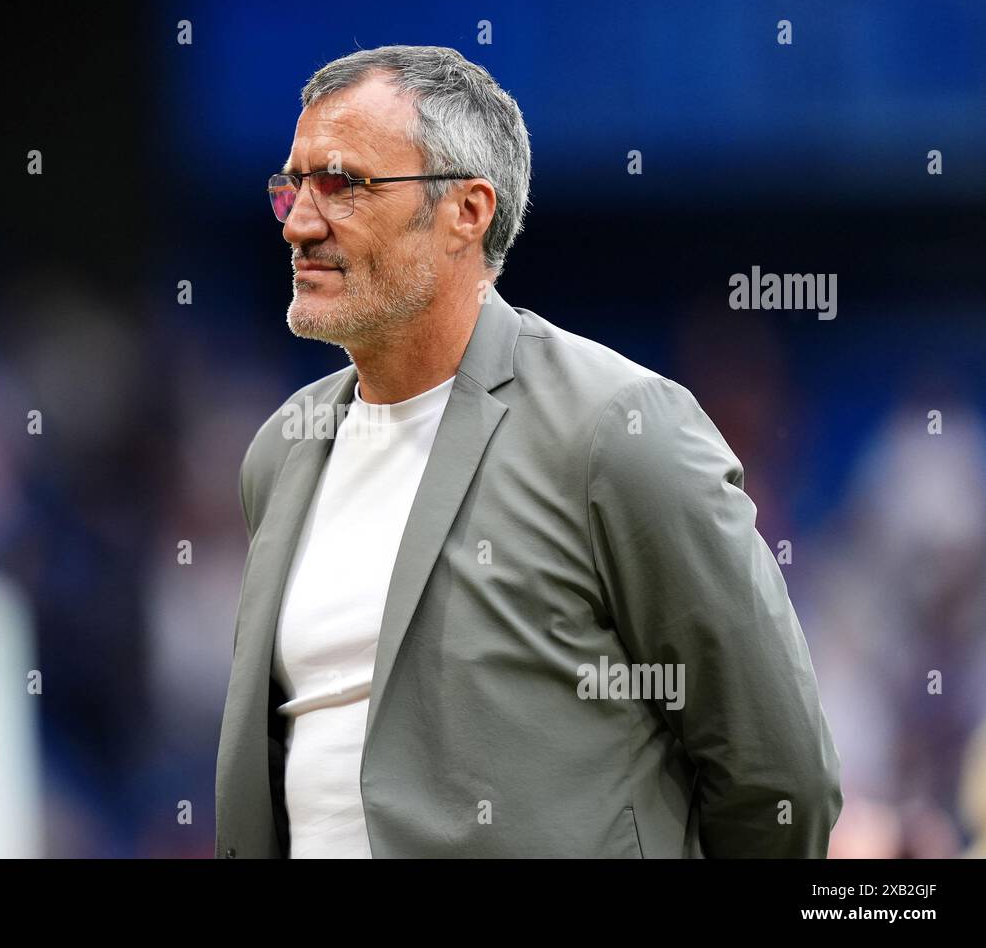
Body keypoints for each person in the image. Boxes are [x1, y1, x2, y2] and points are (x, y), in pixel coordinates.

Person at [214, 45, 842, 858]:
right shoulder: (283, 450)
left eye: (340, 184)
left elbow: (782, 783)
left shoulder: (619, 430)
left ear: (467, 211)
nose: (299, 222)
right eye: (291, 187)